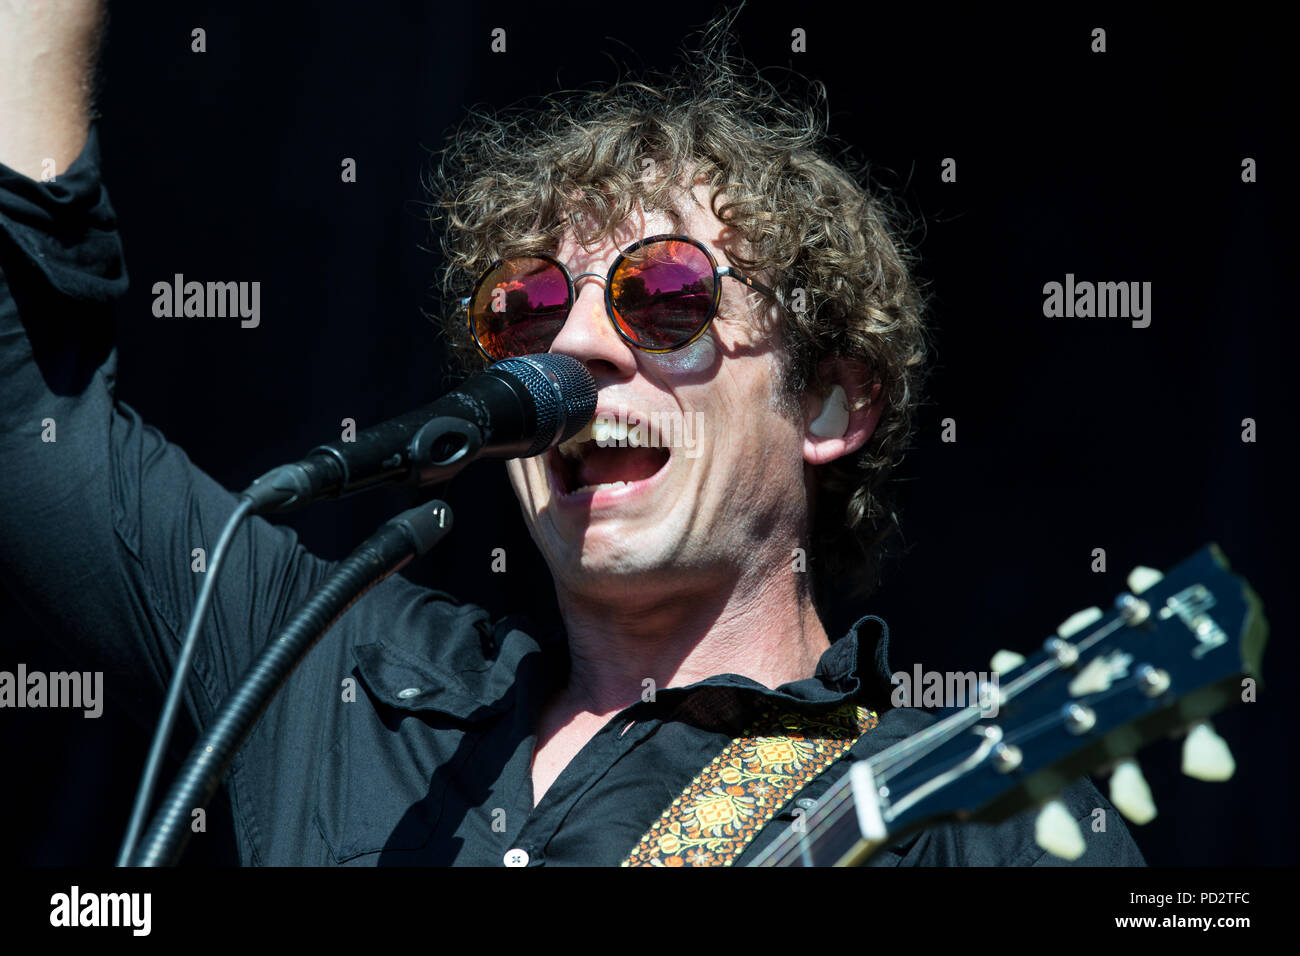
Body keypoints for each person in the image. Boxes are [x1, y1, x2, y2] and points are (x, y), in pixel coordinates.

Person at [0, 3, 1144, 866]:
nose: (577, 348)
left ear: (831, 403)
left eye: (664, 295)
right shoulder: (332, 673)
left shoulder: (967, 809)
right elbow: (29, 428)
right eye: (528, 310)